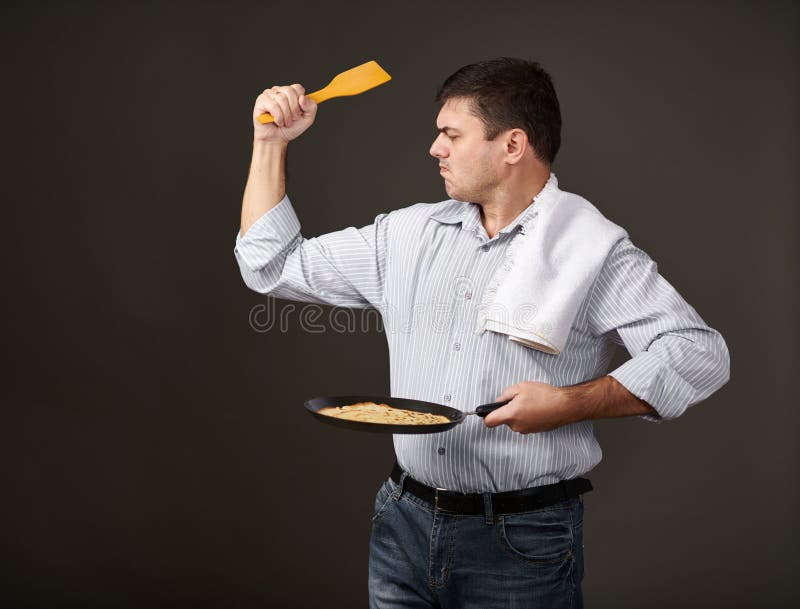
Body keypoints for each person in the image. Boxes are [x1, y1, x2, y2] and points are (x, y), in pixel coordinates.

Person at [233, 57, 730, 609]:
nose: (434, 148)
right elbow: (270, 264)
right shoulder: (406, 235)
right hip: (401, 522)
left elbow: (697, 352)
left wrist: (570, 403)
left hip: (521, 541)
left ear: (512, 145)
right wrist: (270, 144)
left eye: (451, 134)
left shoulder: (594, 253)